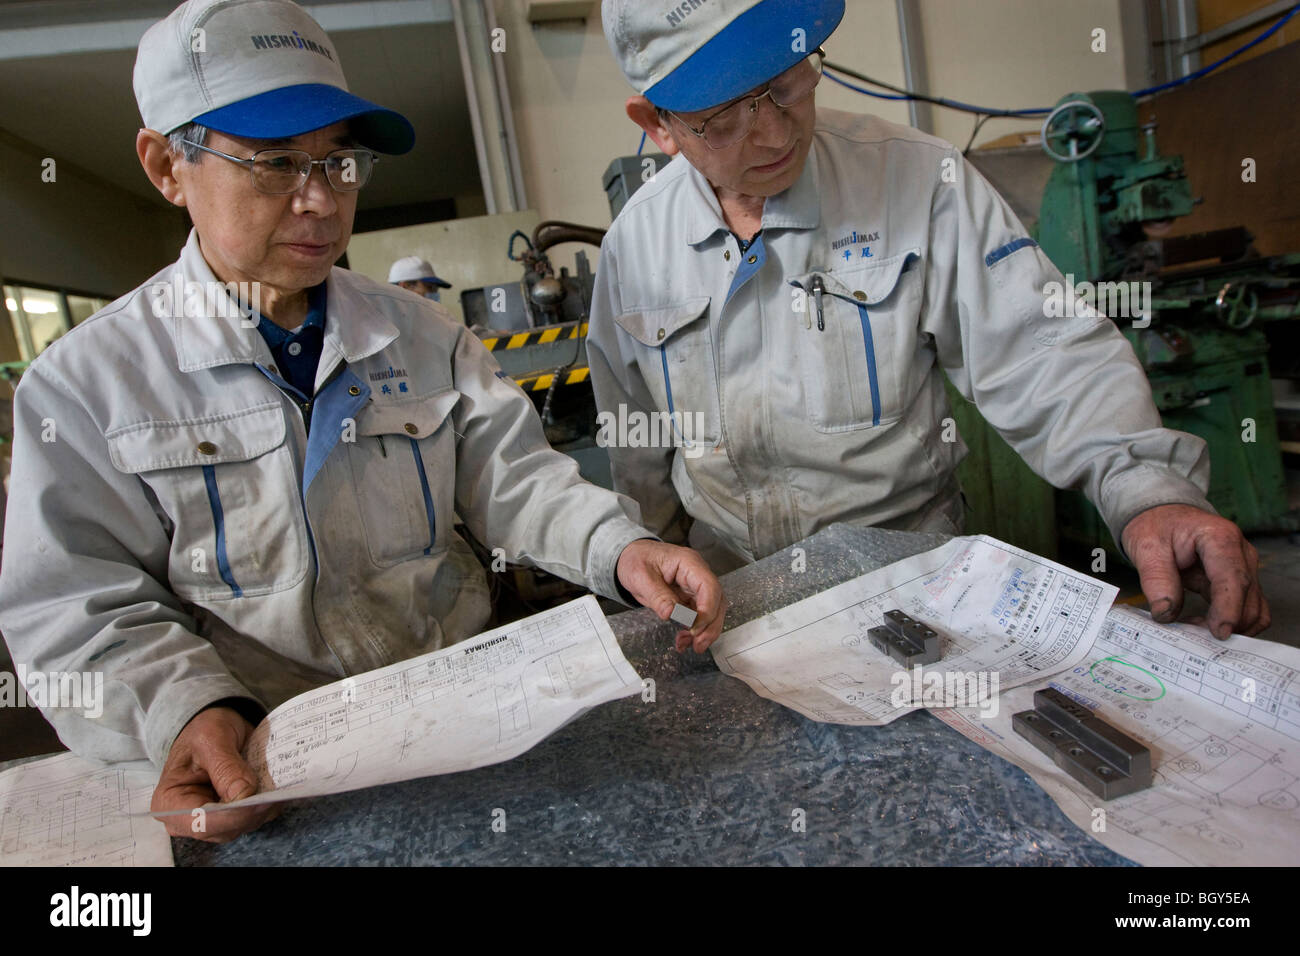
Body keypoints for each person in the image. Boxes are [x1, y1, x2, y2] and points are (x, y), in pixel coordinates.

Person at [0, 0, 724, 844]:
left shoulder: (422, 338)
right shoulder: (87, 386)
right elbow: (76, 604)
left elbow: (518, 484)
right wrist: (185, 710)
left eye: (339, 164)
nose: (317, 201)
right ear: (168, 164)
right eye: (274, 164)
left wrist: (619, 548)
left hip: (458, 734)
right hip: (262, 777)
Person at [588, 0, 1268, 640]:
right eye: (727, 115)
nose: (773, 129)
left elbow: (1043, 350)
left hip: (913, 585)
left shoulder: (918, 181)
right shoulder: (634, 250)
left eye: (788, 85)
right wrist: (652, 563)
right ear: (658, 124)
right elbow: (639, 453)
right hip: (734, 600)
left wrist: (1147, 491)